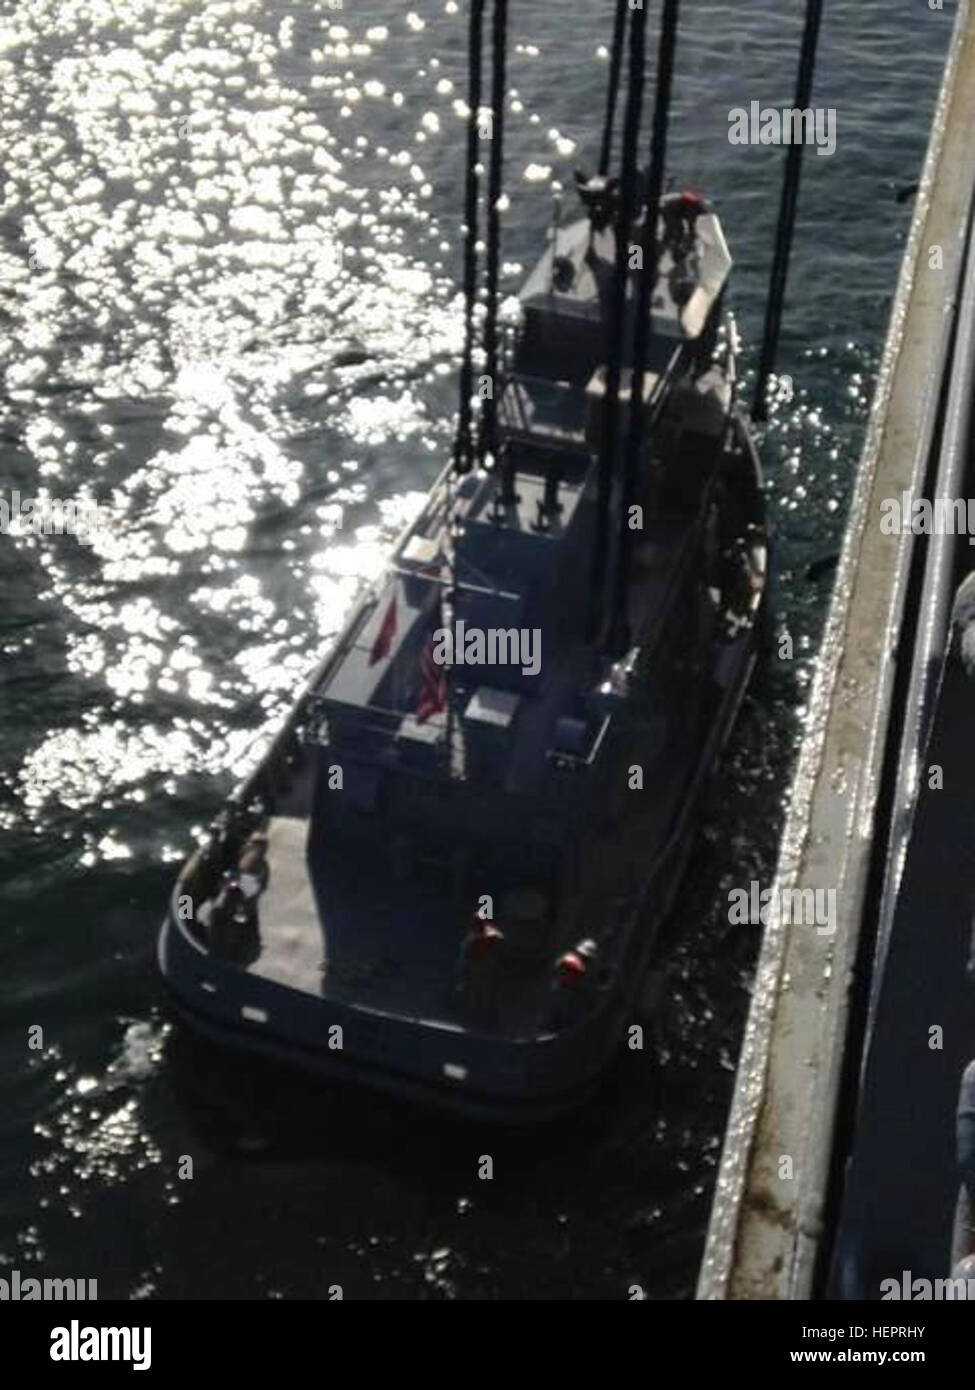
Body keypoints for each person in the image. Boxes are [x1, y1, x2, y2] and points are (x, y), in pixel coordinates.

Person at [457, 915, 505, 1028]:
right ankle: (474, 1019)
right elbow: (465, 955)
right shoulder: (474, 937)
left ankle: (484, 1021)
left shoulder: (490, 935)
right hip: (478, 967)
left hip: (485, 967)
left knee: (484, 995)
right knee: (477, 994)